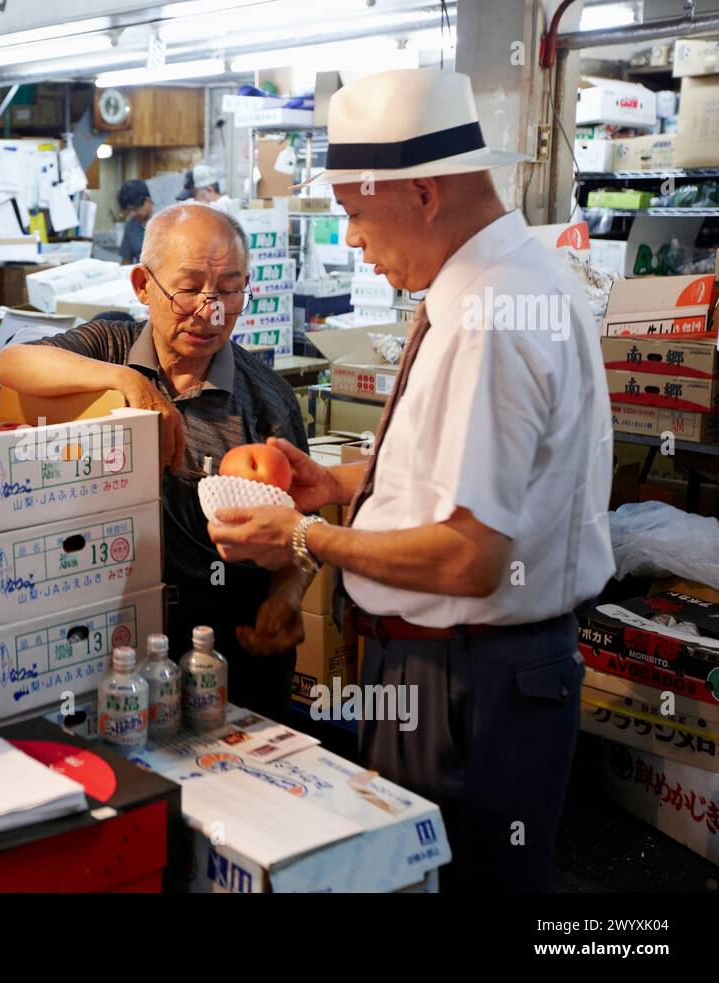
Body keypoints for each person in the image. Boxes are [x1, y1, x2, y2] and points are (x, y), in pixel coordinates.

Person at [206, 69, 614, 893]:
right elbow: (471, 477)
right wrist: (343, 481)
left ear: (422, 194)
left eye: (356, 211)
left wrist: (298, 536)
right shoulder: (504, 283)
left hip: (470, 685)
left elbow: (470, 557)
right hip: (462, 673)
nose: (350, 238)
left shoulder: (489, 317)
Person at [0, 203, 309, 723]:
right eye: (189, 288)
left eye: (228, 290)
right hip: (112, 638)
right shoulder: (111, 345)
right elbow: (10, 363)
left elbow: (298, 526)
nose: (210, 311)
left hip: (228, 644)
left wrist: (289, 595)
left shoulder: (267, 400)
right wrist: (127, 381)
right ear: (143, 285)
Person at [116, 179, 153, 264]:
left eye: (135, 209)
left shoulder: (165, 221)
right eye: (129, 210)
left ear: (147, 201)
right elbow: (126, 260)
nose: (132, 214)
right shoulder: (130, 226)